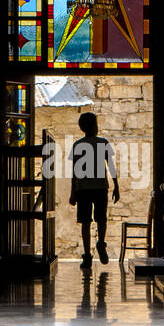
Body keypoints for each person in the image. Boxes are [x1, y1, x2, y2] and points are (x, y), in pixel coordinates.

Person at [68, 112, 120, 267]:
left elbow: (75, 172)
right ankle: (101, 243)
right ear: (94, 126)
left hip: (83, 188)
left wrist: (73, 192)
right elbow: (110, 166)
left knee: (85, 222)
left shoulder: (77, 145)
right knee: (101, 219)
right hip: (100, 187)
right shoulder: (103, 143)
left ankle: (87, 256)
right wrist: (116, 186)